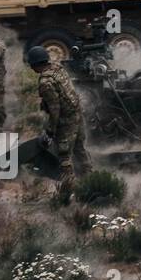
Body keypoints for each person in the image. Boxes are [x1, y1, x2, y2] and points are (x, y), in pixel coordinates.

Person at [26, 45, 91, 201]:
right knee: (80, 148)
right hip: (77, 113)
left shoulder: (45, 82)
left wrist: (50, 131)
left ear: (34, 65)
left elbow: (55, 110)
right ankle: (90, 179)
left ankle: (72, 191)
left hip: (66, 119)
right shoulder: (57, 67)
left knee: (64, 155)